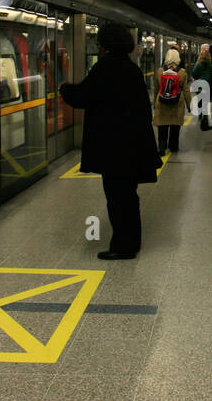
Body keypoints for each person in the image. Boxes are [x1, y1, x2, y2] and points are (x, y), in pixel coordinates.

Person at [59, 23, 162, 260]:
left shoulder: (105, 68)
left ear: (105, 45)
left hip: (115, 148)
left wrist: (64, 89)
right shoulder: (132, 69)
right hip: (133, 146)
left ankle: (123, 247)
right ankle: (131, 242)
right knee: (128, 195)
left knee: (117, 198)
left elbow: (84, 96)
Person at [153, 50, 191, 154]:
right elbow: (186, 90)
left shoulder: (160, 71)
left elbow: (156, 89)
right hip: (177, 102)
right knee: (175, 126)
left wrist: (154, 103)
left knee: (162, 126)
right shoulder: (182, 72)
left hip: (162, 102)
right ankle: (173, 146)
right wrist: (189, 105)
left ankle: (162, 146)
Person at [190, 46, 212, 131]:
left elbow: (194, 73)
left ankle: (200, 113)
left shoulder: (198, 63)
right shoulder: (211, 64)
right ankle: (206, 115)